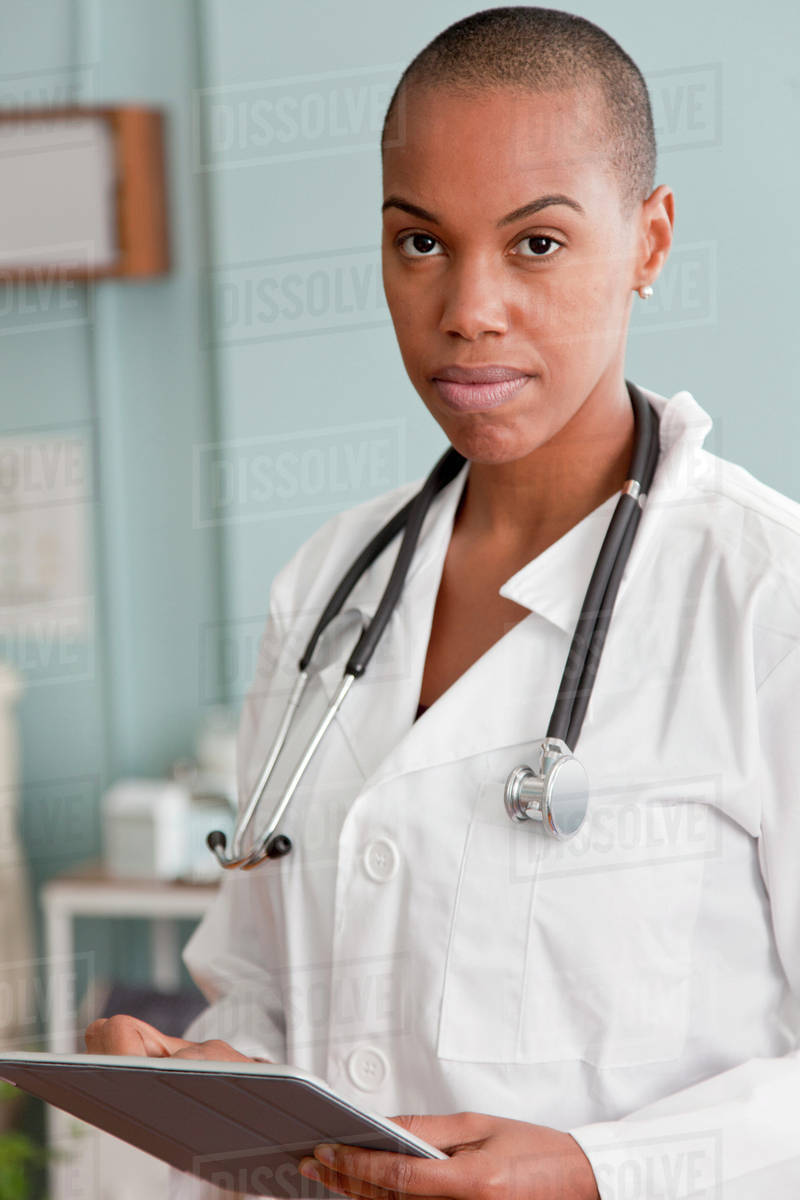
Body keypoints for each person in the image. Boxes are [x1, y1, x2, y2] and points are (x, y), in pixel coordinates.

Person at [86, 7, 800, 1198]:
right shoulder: (325, 586)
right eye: (419, 243)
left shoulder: (762, 598)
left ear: (648, 240)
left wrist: (598, 1169)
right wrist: (206, 1075)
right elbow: (265, 983)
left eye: (534, 245)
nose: (466, 306)